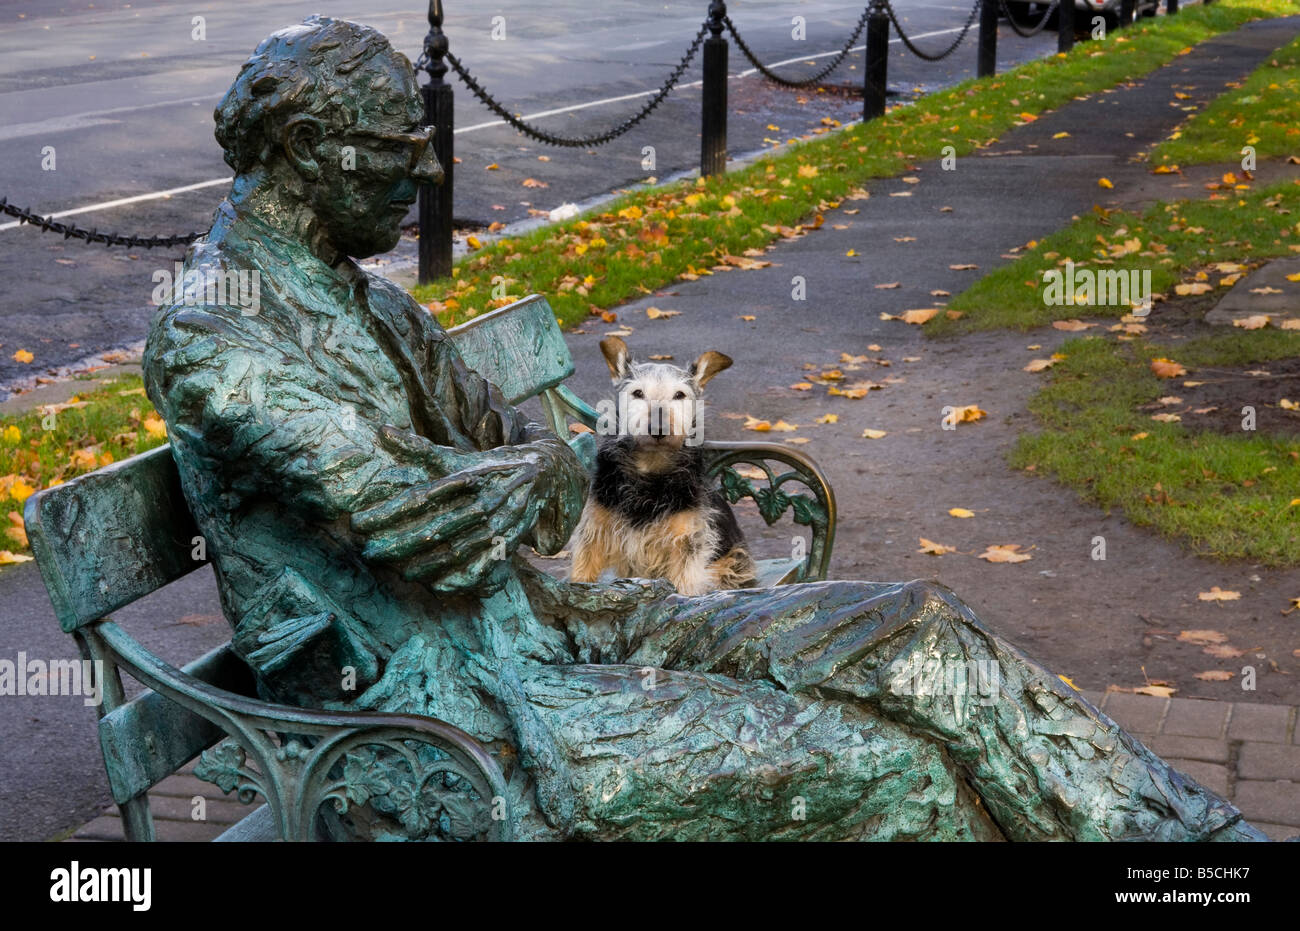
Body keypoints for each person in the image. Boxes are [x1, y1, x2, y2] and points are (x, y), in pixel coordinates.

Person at [144, 16, 1264, 842]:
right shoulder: (215, 332)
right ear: (305, 145)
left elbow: (523, 474)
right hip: (427, 722)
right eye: (400, 147)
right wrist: (522, 471)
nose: (429, 170)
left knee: (922, 630)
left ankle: (1201, 852)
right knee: (893, 773)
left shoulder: (368, 300)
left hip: (557, 621)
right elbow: (414, 522)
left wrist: (519, 473)